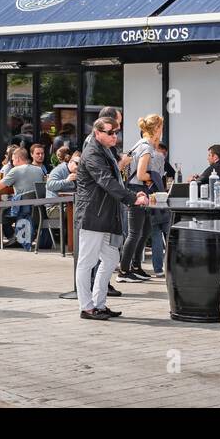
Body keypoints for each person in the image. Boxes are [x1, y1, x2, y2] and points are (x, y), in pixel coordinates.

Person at [75, 116, 147, 321]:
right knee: (86, 262)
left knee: (110, 258)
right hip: (92, 215)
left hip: (106, 215)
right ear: (97, 133)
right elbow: (106, 181)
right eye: (110, 132)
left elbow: (115, 180)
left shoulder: (107, 151)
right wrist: (133, 198)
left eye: (116, 132)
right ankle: (87, 307)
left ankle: (98, 303)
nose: (115, 136)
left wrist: (132, 195)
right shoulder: (92, 153)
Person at [123, 114, 168, 278]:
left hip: (138, 190)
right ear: (156, 129)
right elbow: (141, 174)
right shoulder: (146, 147)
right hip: (138, 190)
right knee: (135, 233)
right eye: (161, 128)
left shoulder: (141, 144)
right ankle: (124, 270)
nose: (162, 131)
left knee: (144, 230)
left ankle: (135, 266)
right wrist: (154, 177)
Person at [0, 146, 46, 248]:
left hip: (22, 208)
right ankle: (17, 237)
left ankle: (13, 237)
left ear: (18, 159)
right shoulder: (39, 170)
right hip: (36, 209)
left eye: (13, 160)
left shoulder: (16, 170)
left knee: (0, 213)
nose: (12, 162)